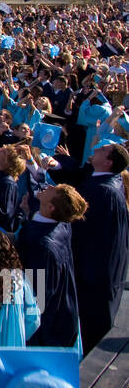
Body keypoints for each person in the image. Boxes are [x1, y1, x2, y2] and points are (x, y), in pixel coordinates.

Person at [72, 142, 129, 350]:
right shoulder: (108, 185)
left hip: (90, 279)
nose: (97, 148)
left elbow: (82, 232)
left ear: (108, 162)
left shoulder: (102, 191)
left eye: (103, 150)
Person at [17, 183, 88, 351]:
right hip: (65, 312)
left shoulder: (42, 245)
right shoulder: (63, 225)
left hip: (45, 330)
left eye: (52, 190)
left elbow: (39, 297)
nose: (48, 186)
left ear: (51, 207)